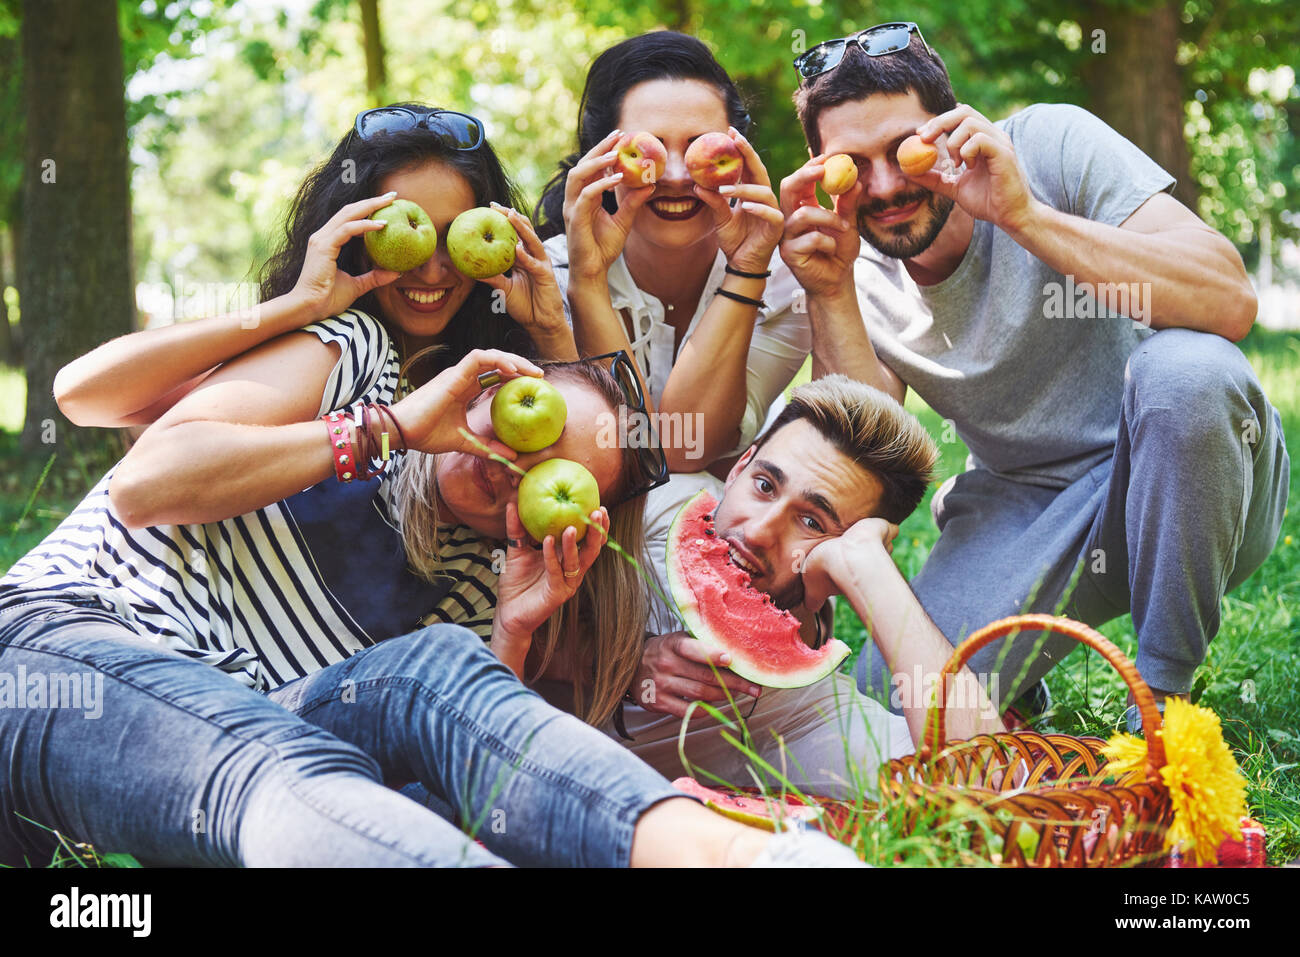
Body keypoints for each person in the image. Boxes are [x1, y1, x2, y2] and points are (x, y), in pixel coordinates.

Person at [2, 339, 862, 867]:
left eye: (549, 474)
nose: (511, 465)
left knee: (422, 712)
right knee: (267, 779)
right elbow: (146, 483)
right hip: (52, 654)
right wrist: (392, 427)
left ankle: (726, 856)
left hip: (208, 774)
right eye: (524, 425)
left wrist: (514, 630)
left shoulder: (477, 582)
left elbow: (462, 775)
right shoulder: (357, 374)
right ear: (486, 386)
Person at [778, 22, 1290, 721]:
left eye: (904, 149)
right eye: (853, 166)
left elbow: (1228, 300)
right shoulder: (848, 266)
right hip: (1024, 508)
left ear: (950, 126)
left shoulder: (1047, 147)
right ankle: (1018, 672)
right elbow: (865, 463)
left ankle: (1164, 702)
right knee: (889, 711)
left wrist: (1023, 217)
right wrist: (830, 291)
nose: (888, 184)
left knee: (1186, 374)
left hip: (1195, 480)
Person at [599, 375, 1005, 798]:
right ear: (739, 468)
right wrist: (623, 662)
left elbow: (989, 784)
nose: (758, 532)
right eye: (764, 485)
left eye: (812, 522)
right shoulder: (653, 506)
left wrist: (870, 569)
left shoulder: (801, 711)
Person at [535, 31, 805, 476]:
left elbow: (685, 446)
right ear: (600, 160)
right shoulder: (547, 279)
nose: (677, 175)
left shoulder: (782, 282)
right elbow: (623, 450)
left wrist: (746, 269)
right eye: (648, 150)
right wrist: (588, 278)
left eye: (701, 146)